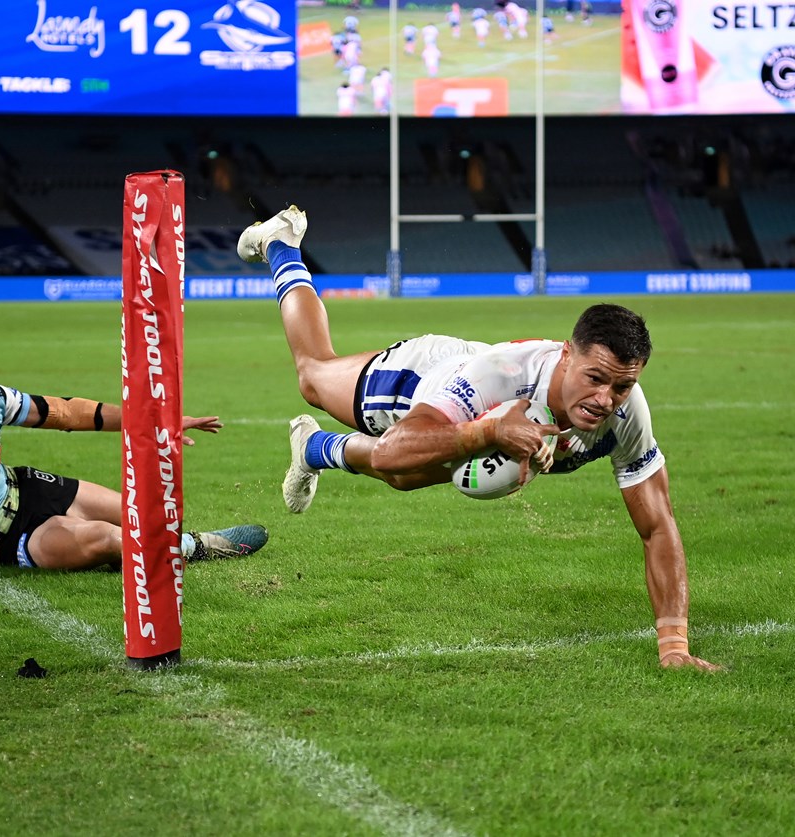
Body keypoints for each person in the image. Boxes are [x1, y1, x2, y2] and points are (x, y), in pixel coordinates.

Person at [237, 207, 719, 672]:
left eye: (622, 386)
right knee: (315, 379)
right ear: (566, 356)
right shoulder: (501, 375)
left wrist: (673, 644)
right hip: (425, 380)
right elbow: (390, 452)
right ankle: (282, 245)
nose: (605, 398)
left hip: (478, 408)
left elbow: (658, 526)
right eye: (595, 378)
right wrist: (487, 430)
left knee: (411, 478)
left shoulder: (627, 414)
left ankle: (316, 450)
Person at [0, 307, 268, 597]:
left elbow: (65, 412)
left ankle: (173, 541)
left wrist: (155, 421)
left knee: (144, 516)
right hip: (6, 540)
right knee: (111, 539)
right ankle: (198, 547)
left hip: (29, 488)